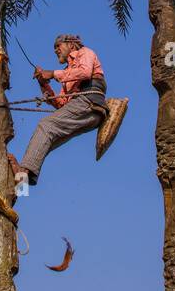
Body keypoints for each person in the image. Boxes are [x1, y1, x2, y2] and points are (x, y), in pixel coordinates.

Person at [8, 34, 106, 186]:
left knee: (45, 126)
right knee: (47, 141)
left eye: (58, 46)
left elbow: (86, 72)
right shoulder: (67, 72)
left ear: (71, 45)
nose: (55, 50)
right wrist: (43, 84)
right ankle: (20, 186)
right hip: (87, 111)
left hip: (89, 103)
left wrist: (53, 74)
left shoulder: (85, 52)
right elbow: (61, 104)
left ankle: (23, 172)